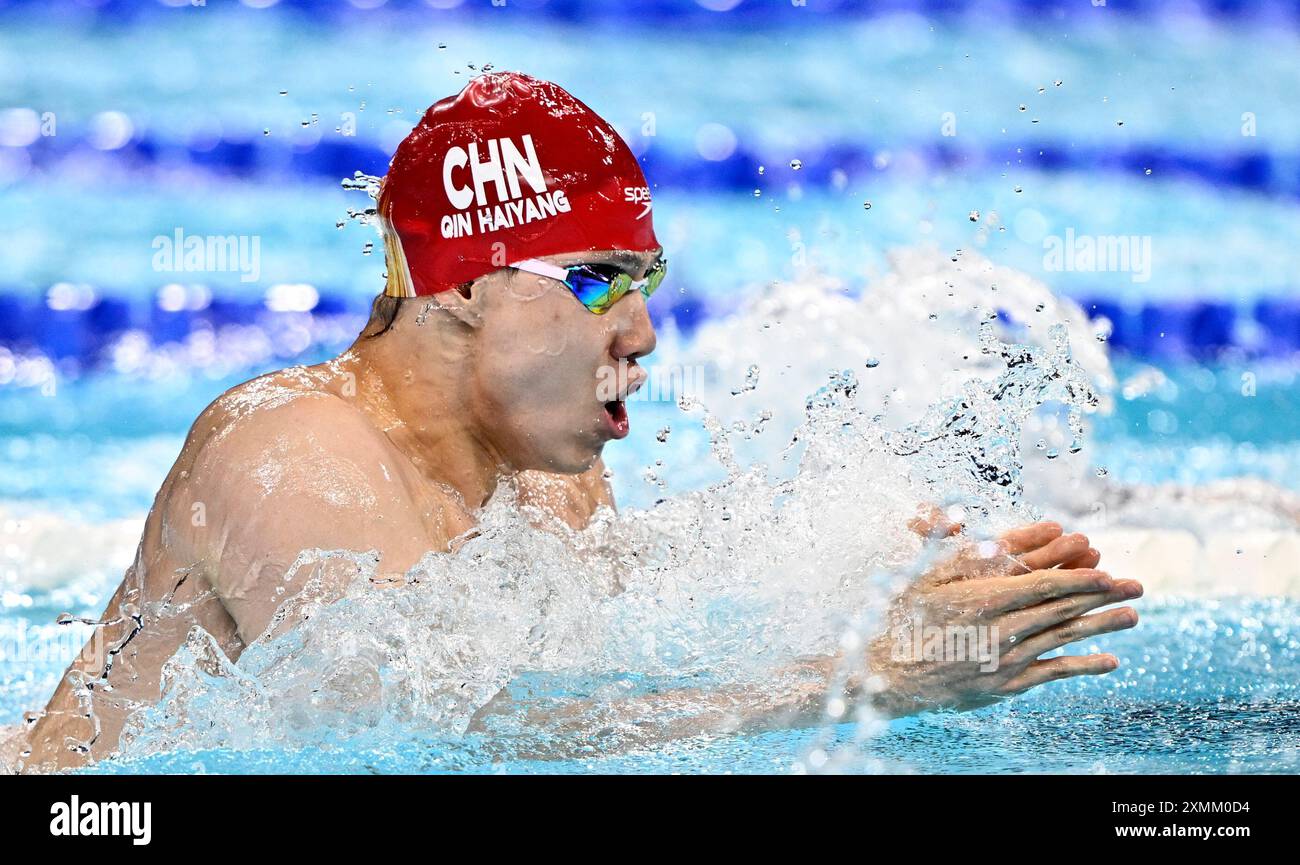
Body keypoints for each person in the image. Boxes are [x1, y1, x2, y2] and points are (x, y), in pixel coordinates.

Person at [10, 72, 1141, 773]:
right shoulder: (289, 449)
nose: (643, 332)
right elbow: (420, 745)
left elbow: (589, 651)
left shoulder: (542, 469)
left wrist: (841, 559)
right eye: (598, 280)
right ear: (462, 285)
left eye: (644, 281)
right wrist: (869, 675)